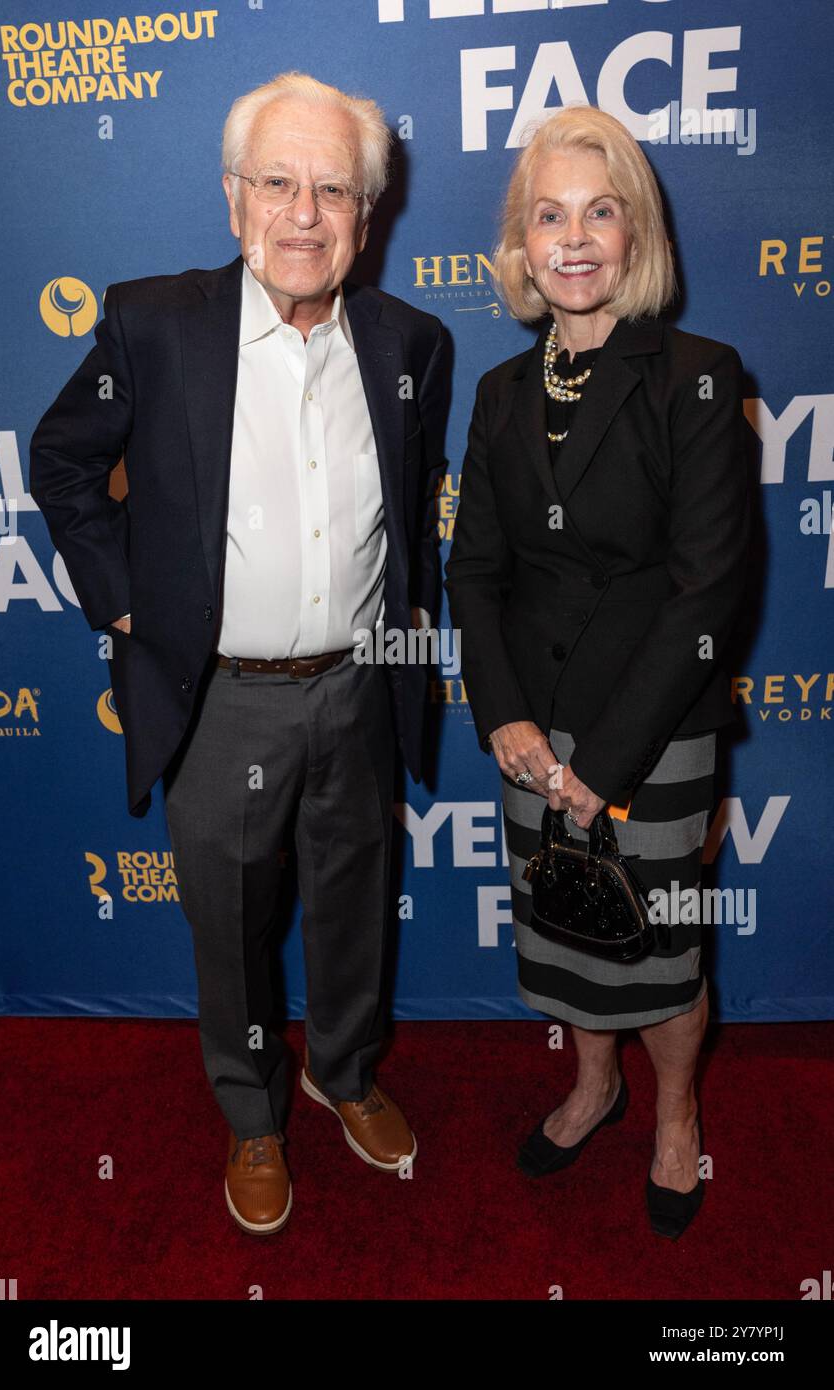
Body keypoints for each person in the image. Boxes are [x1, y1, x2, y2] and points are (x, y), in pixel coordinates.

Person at [30, 71, 450, 1236]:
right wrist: (122, 605)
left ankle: (347, 1073)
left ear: (366, 217)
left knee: (358, 907)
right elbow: (62, 463)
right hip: (221, 702)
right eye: (277, 182)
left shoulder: (415, 341)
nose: (303, 213)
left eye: (332, 189)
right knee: (231, 923)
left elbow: (411, 519)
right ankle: (255, 1113)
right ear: (233, 198)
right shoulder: (154, 322)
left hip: (361, 688)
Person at [444, 105, 749, 1240]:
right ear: (521, 244)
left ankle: (675, 1112)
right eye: (548, 215)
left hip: (654, 731)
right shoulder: (497, 394)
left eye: (600, 211)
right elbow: (472, 573)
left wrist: (605, 767)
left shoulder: (700, 377)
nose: (573, 239)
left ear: (637, 233)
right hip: (534, 732)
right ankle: (592, 1083)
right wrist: (507, 719)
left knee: (659, 943)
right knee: (567, 935)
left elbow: (707, 591)